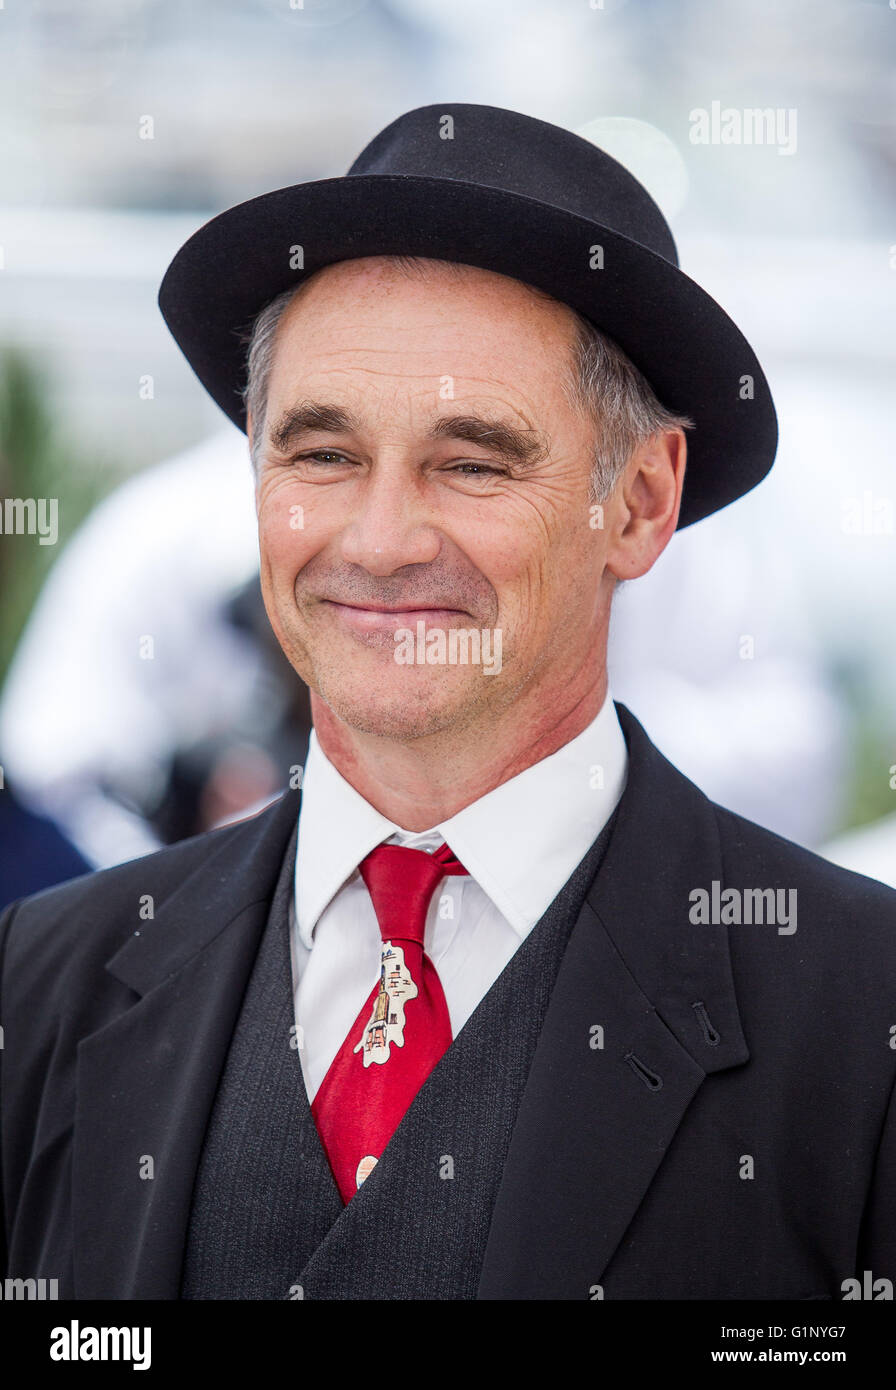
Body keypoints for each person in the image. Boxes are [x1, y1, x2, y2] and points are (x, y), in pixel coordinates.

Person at [1, 102, 893, 1301]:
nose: (378, 540)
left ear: (636, 504)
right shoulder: (44, 981)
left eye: (471, 462)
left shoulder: (858, 1024)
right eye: (320, 454)